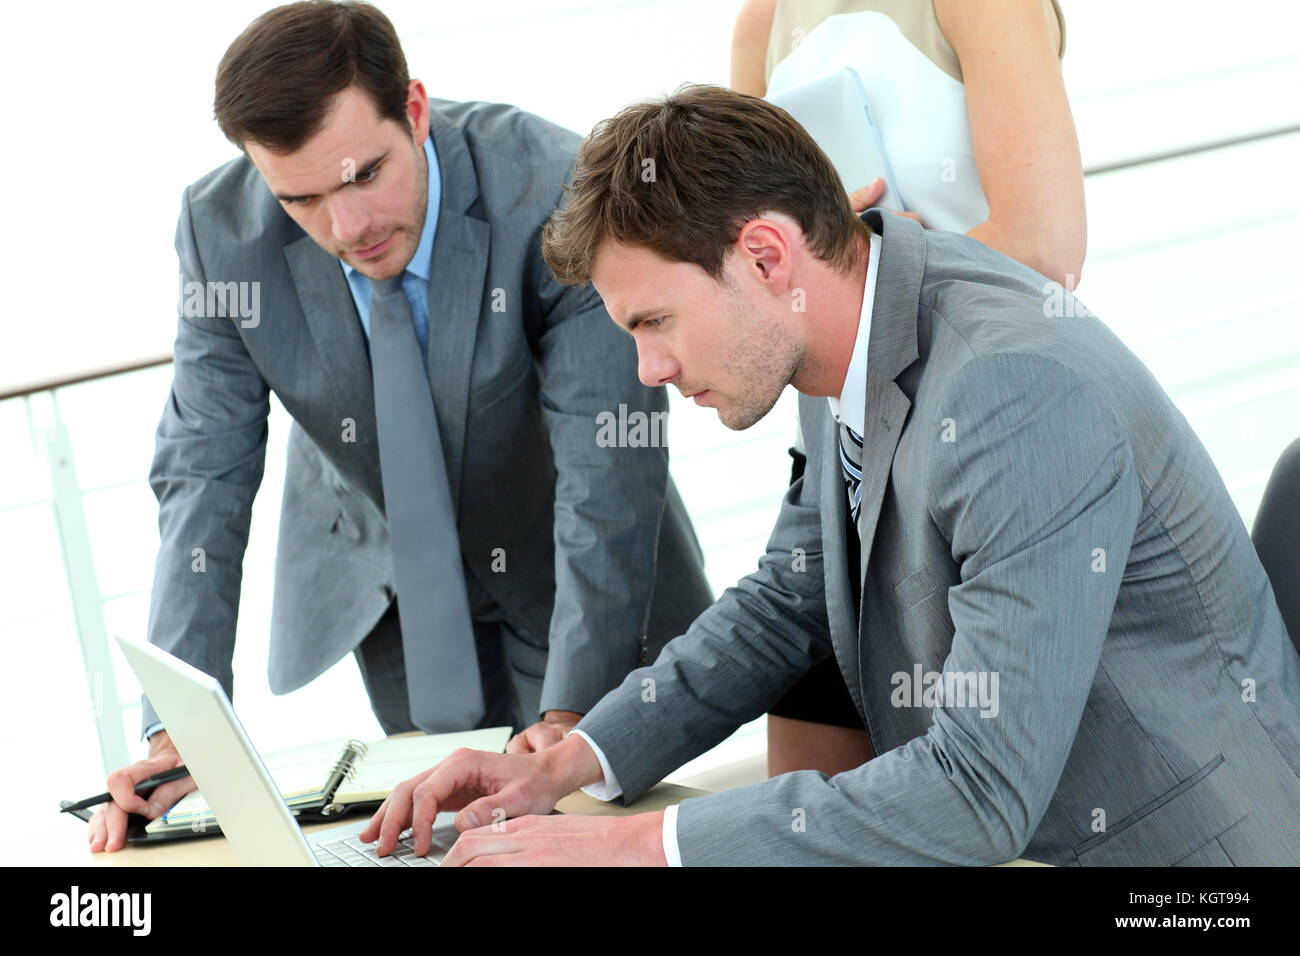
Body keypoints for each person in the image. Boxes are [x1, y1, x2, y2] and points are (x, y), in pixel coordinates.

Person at [361, 85, 1300, 866]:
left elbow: (980, 789)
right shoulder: (835, 325)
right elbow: (787, 598)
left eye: (655, 323)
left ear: (766, 256)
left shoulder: (1015, 391)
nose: (648, 371)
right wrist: (568, 764)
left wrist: (629, 847)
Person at [86, 0, 713, 853]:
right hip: (396, 587)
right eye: (301, 198)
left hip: (577, 570)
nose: (349, 228)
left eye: (364, 175)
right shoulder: (220, 233)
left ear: (414, 111)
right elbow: (203, 473)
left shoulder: (555, 188)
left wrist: (570, 725)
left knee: (585, 833)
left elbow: (607, 471)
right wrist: (176, 742)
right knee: (442, 838)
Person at [732, 0, 1087, 777]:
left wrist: (867, 269)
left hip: (980, 451)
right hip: (843, 466)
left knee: (973, 789)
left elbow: (1044, 249)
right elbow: (744, 264)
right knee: (800, 820)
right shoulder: (762, 19)